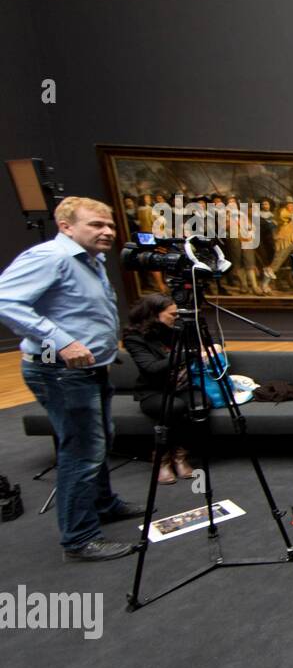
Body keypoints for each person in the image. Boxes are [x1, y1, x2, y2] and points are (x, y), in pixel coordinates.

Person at [0, 197, 145, 561]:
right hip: (60, 371)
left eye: (109, 225)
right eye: (96, 224)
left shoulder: (88, 261)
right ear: (66, 225)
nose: (108, 231)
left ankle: (103, 504)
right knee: (82, 451)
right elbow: (6, 300)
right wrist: (63, 343)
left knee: (100, 438)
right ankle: (80, 538)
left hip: (88, 369)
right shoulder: (51, 257)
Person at [121, 293, 200, 485]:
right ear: (154, 315)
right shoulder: (135, 338)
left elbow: (202, 346)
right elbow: (151, 368)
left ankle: (180, 456)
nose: (176, 318)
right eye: (171, 315)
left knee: (200, 404)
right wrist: (186, 354)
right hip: (153, 390)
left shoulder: (176, 330)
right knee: (175, 407)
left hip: (181, 386)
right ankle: (162, 459)